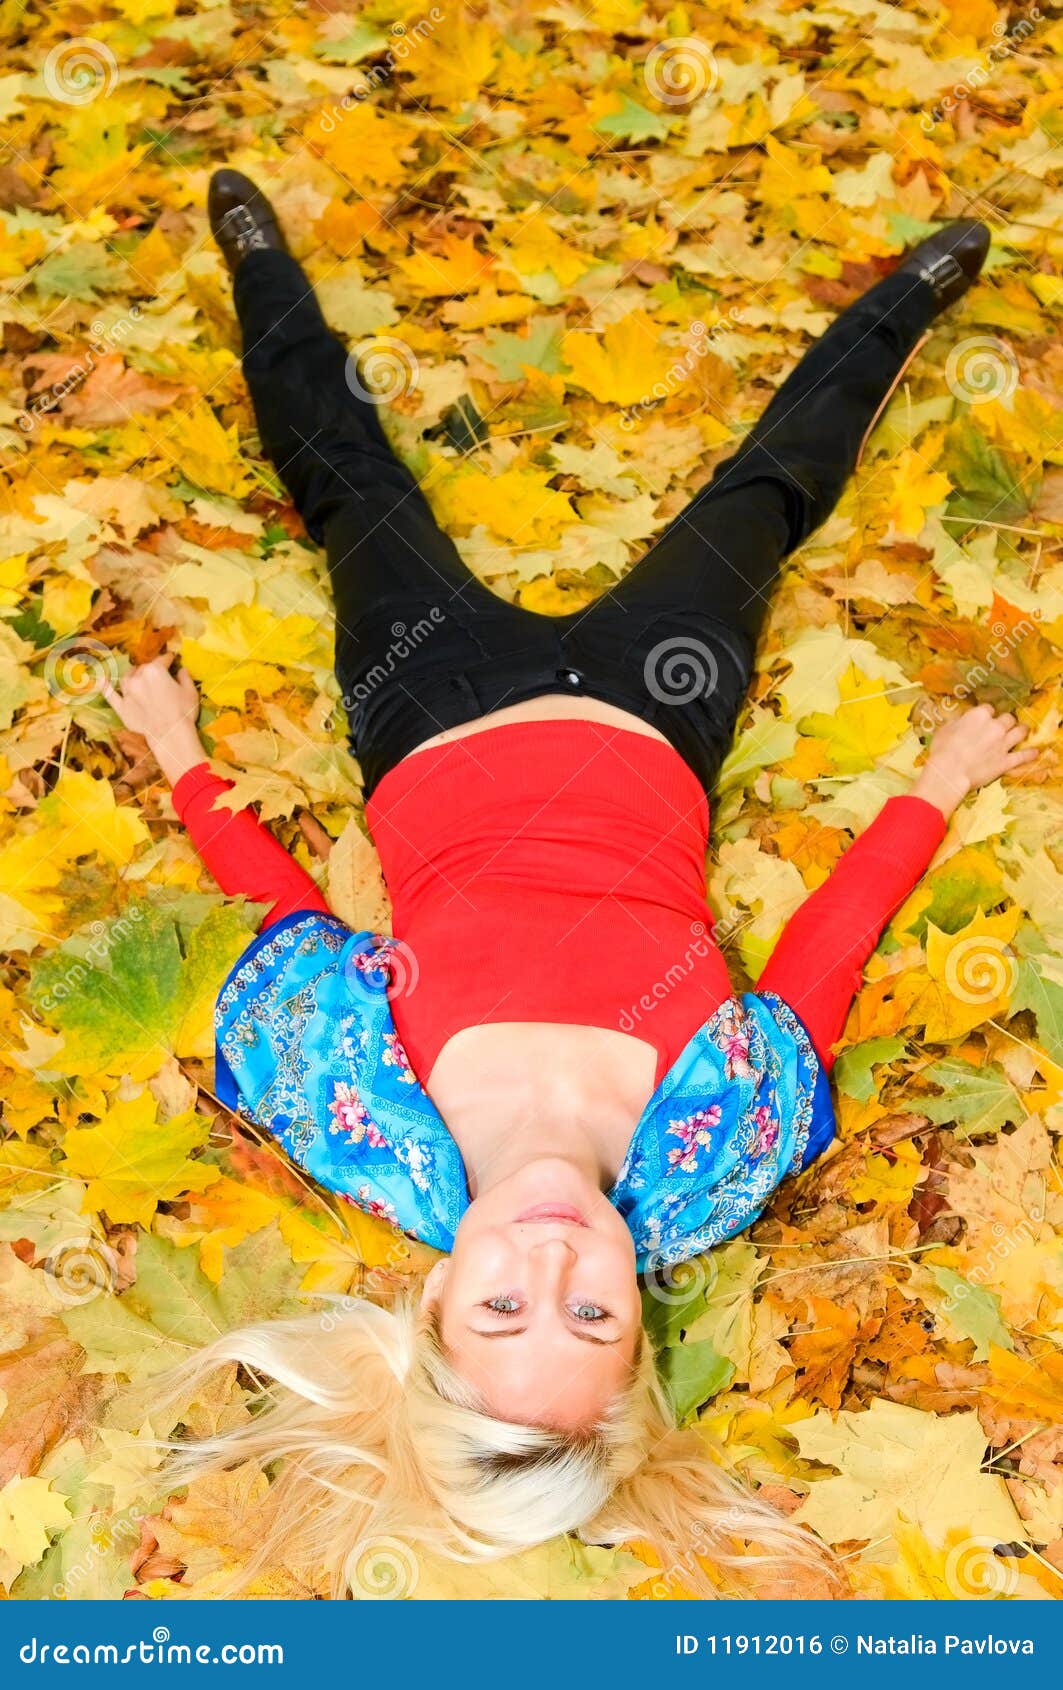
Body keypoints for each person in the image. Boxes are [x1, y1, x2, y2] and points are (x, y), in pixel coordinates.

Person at [105, 174, 1034, 1596]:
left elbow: (286, 917)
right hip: (659, 709)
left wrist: (180, 758)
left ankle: (256, 259)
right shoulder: (718, 1137)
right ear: (641, 1328)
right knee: (762, 497)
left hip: (433, 700)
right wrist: (938, 783)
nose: (551, 1259)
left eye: (499, 1303)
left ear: (432, 1295)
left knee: (348, 474)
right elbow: (821, 961)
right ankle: (911, 293)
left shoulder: (365, 1106)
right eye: (592, 1310)